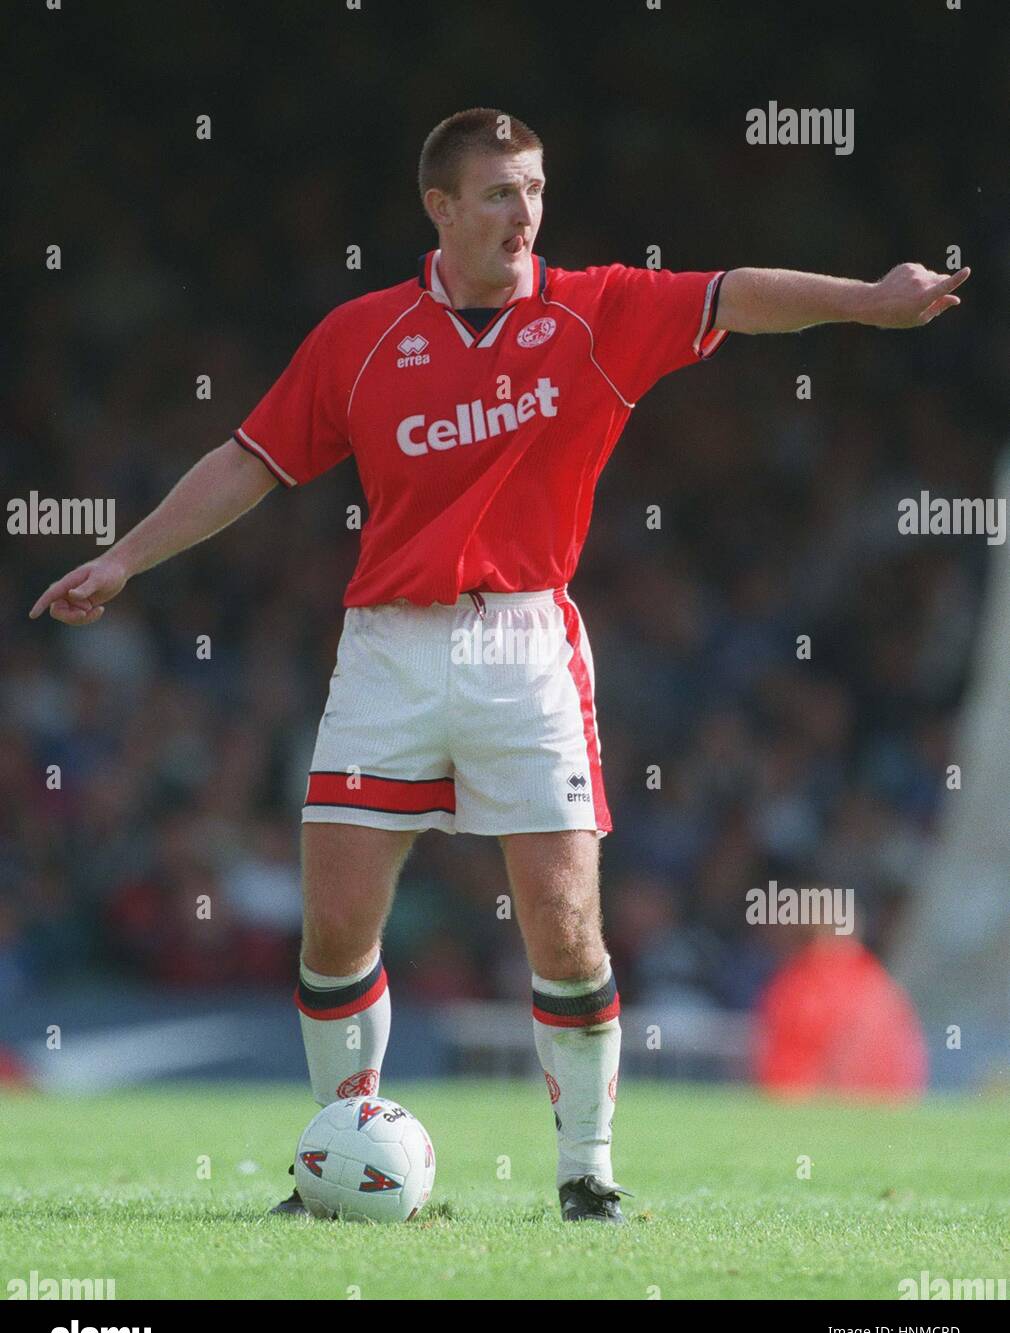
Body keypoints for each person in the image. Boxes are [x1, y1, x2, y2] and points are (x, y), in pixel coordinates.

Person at [29, 107, 970, 1223]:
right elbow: (250, 461)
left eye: (532, 190)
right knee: (334, 925)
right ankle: (339, 1152)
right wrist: (129, 557)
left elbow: (734, 294)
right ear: (438, 206)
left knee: (565, 928)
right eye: (496, 193)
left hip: (524, 644)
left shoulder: (596, 311)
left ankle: (586, 1171)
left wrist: (866, 299)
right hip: (387, 644)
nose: (524, 212)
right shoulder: (360, 337)